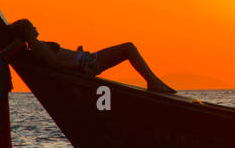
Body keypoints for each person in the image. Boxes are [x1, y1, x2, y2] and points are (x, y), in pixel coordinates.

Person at [9, 18, 177, 94]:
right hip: (89, 63)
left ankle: (153, 81)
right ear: (26, 31)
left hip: (86, 59)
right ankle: (152, 81)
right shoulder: (36, 45)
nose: (35, 26)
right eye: (31, 25)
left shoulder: (38, 45)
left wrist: (77, 53)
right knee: (128, 48)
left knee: (128, 48)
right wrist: (80, 65)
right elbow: (55, 64)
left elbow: (60, 58)